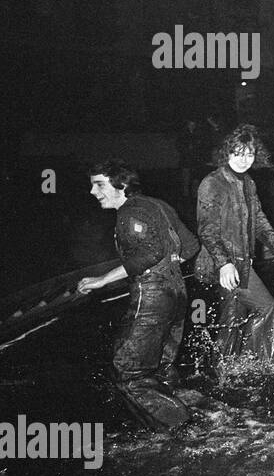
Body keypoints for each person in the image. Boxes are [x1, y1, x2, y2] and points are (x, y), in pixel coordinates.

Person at [77, 160, 198, 430]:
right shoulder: (158, 205)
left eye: (99, 185)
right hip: (177, 295)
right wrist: (173, 258)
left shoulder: (129, 213)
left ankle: (185, 430)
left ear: (121, 184)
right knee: (160, 367)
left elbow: (150, 253)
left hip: (153, 296)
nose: (93, 192)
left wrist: (102, 280)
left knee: (126, 371)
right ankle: (199, 411)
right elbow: (190, 246)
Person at [195, 126, 274, 361]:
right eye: (238, 153)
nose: (244, 160)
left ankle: (223, 369)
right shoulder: (212, 183)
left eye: (249, 154)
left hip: (240, 262)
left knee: (231, 321)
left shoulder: (248, 183)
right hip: (225, 264)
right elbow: (207, 229)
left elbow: (257, 218)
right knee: (266, 307)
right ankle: (258, 362)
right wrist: (224, 264)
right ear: (227, 153)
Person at [176, 120, 207, 200]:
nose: (192, 126)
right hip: (186, 160)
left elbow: (201, 146)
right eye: (190, 124)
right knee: (186, 179)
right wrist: (187, 149)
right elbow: (179, 146)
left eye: (193, 124)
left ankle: (195, 195)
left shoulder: (198, 134)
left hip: (195, 160)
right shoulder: (183, 135)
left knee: (195, 178)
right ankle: (185, 196)